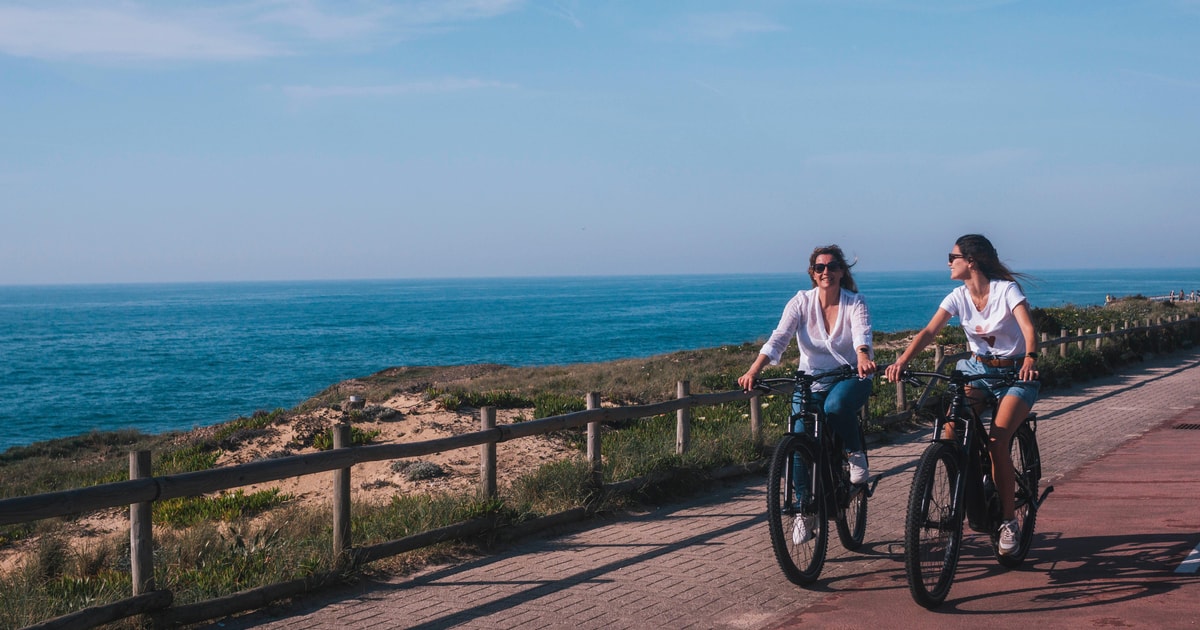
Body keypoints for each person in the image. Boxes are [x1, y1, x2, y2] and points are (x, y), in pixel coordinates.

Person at [884, 234, 1040, 556]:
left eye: (952, 256)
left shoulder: (1006, 290)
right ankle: (970, 497)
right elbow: (929, 332)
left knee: (998, 442)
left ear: (970, 261)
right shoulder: (957, 296)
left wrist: (1030, 358)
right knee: (950, 434)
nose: (948, 262)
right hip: (976, 372)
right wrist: (901, 361)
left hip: (1014, 375)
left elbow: (1028, 328)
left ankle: (1008, 521)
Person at [738, 245, 877, 544]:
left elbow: (861, 335)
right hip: (811, 381)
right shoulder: (801, 302)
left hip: (851, 376)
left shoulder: (855, 303)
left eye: (831, 266)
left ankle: (855, 455)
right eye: (819, 267)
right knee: (798, 438)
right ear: (812, 274)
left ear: (841, 271)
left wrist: (863, 357)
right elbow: (779, 338)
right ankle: (805, 509)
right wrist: (754, 370)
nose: (825, 271)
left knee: (837, 406)